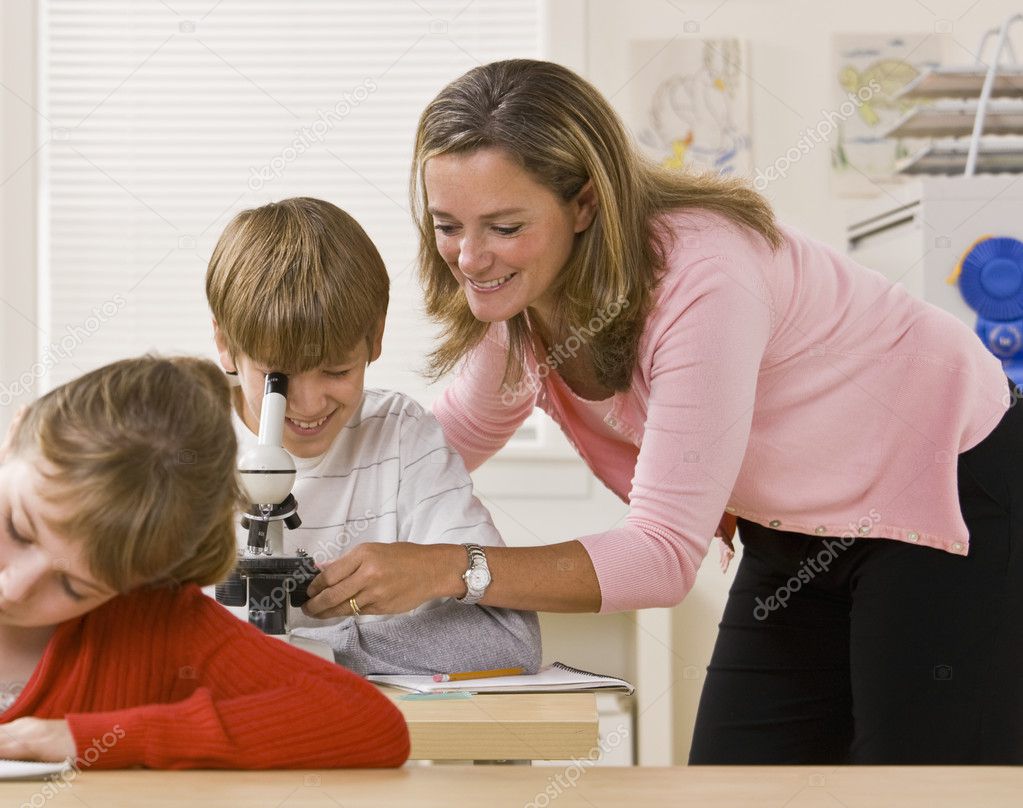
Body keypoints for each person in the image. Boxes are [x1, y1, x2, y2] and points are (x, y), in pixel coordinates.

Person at [302, 58, 1023, 764]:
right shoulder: (517, 304)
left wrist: (447, 567)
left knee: (914, 784)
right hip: (800, 527)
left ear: (584, 202)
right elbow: (437, 445)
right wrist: (261, 515)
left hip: (943, 486)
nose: (470, 258)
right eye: (447, 225)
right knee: (733, 784)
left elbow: (661, 556)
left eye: (504, 225)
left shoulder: (701, 275)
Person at [0, 355, 409, 768]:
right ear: (14, 434)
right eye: (17, 528)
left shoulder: (148, 624)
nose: (14, 587)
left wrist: (94, 737)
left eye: (74, 587)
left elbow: (370, 723)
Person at [205, 196, 540, 675]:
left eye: (337, 370)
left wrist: (302, 652)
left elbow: (508, 639)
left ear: (375, 338)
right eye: (279, 377)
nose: (308, 404)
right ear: (225, 345)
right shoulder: (176, 442)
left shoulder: (401, 439)